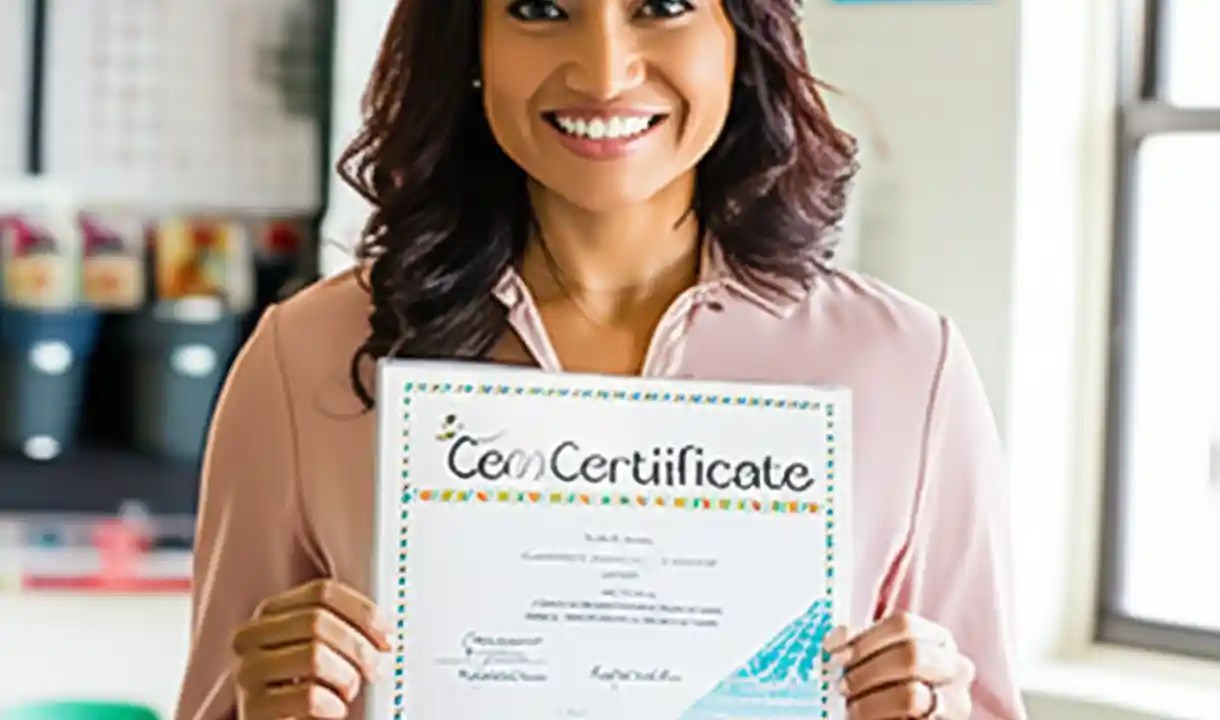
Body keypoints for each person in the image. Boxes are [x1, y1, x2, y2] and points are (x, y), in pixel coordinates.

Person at [175, 1, 1027, 718]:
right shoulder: (308, 357)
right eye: (540, 9)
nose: (605, 71)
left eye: (661, 6)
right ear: (467, 40)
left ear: (744, 36)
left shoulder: (908, 369)